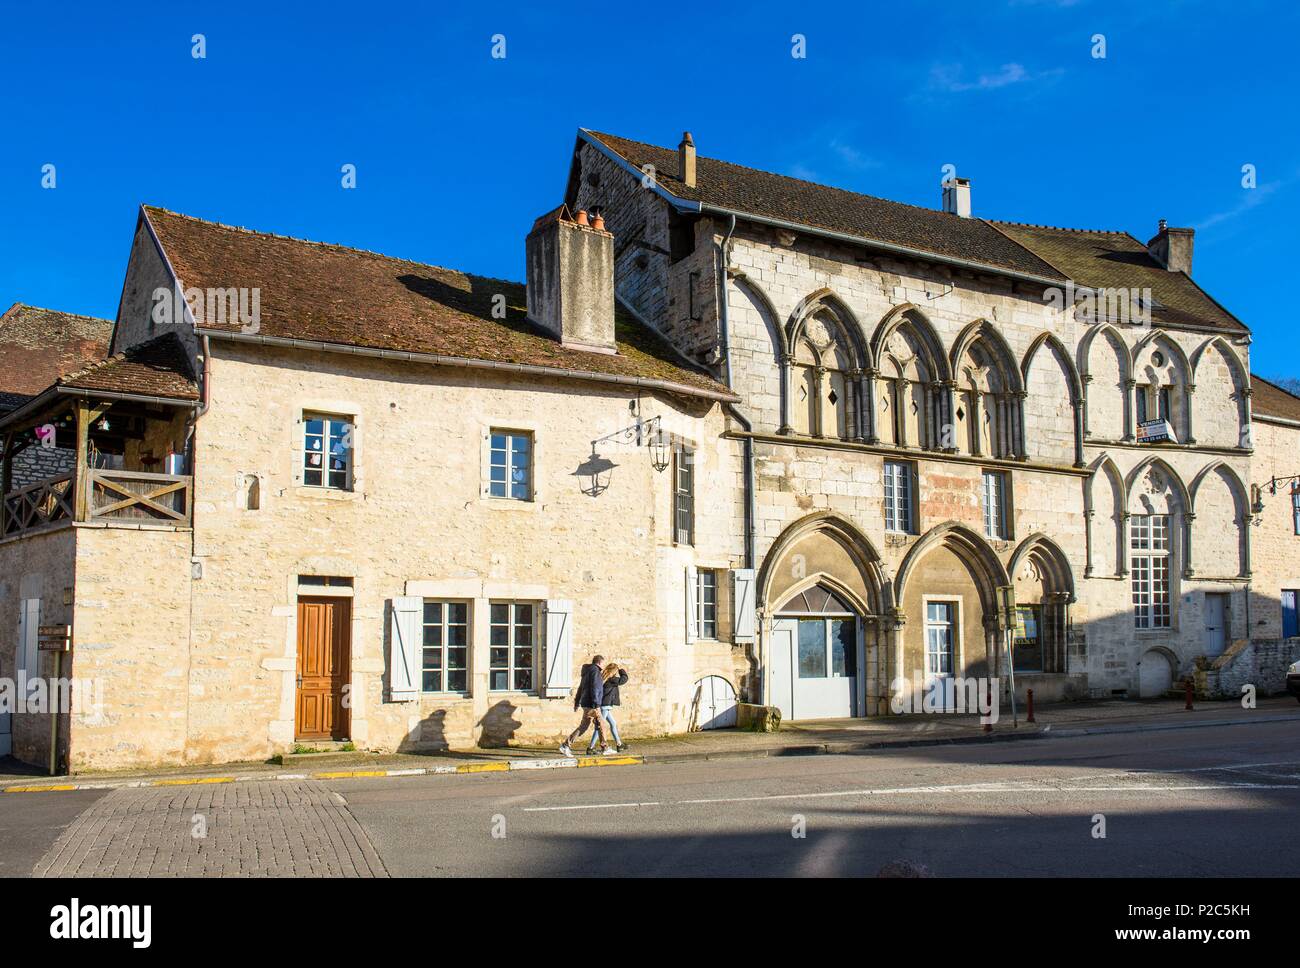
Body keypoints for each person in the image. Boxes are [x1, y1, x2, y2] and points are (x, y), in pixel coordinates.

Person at [559, 655, 615, 756]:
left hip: (586, 703)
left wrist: (577, 702)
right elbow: (595, 687)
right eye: (603, 663)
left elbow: (581, 687)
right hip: (592, 703)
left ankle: (566, 745)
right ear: (599, 662)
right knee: (601, 724)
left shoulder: (587, 671)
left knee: (584, 726)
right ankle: (605, 747)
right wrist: (596, 703)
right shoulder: (595, 671)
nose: (603, 666)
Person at [587, 663, 629, 753]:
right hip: (605, 705)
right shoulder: (611, 679)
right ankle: (590, 748)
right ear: (614, 671)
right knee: (600, 726)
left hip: (605, 705)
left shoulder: (604, 678)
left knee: (613, 723)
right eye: (616, 672)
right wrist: (621, 670)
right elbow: (624, 679)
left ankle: (619, 744)